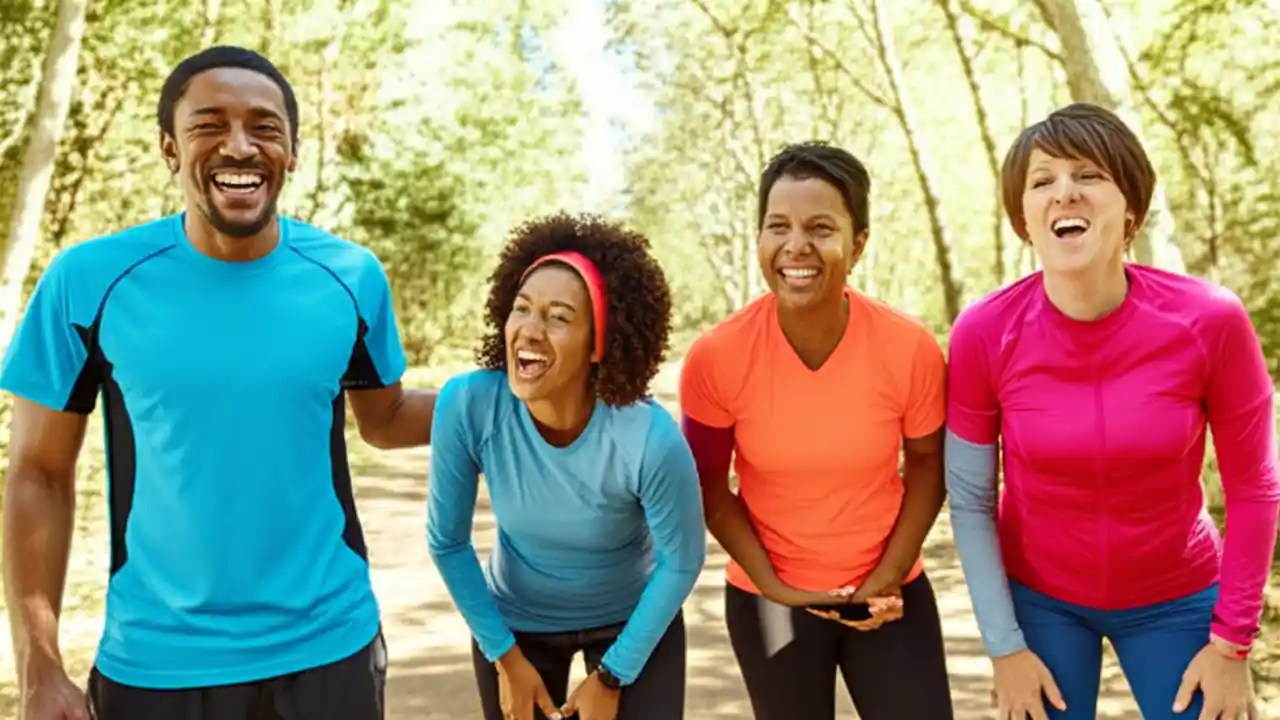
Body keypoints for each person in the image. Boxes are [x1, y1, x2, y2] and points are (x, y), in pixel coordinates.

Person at [1, 46, 436, 720]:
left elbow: (385, 417)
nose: (240, 146)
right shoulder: (86, 282)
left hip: (332, 649)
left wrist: (513, 399)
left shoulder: (350, 276)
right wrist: (38, 665)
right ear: (170, 148)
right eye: (209, 125)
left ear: (291, 153)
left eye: (265, 127)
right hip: (156, 664)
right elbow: (37, 475)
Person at [946, 102, 1279, 720]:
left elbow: (1255, 487)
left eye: (1088, 175)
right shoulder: (984, 332)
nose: (1064, 193)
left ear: (1130, 205)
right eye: (1042, 181)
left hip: (1178, 597)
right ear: (1024, 218)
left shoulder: (1210, 320)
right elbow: (969, 499)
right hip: (1039, 601)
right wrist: (1004, 649)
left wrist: (1232, 642)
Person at [678, 141, 954, 719]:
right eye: (778, 226)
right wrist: (774, 586)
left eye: (820, 227)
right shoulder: (717, 357)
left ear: (857, 246)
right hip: (769, 601)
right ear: (759, 240)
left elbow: (928, 463)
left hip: (890, 593)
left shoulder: (909, 348)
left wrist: (887, 576)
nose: (796, 245)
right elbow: (705, 484)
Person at [427, 213, 706, 720]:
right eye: (522, 309)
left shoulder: (648, 438)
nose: (530, 330)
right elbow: (447, 542)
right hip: (517, 624)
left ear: (598, 344)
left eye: (558, 317)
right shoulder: (467, 406)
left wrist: (613, 675)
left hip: (632, 618)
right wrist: (506, 660)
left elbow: (682, 561)